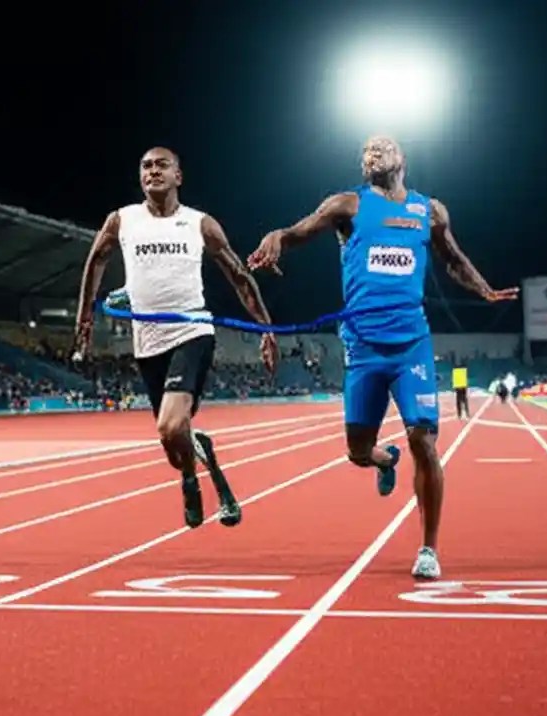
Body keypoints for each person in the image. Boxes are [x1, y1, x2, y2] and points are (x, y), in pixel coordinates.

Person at [246, 135, 518, 579]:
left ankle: (428, 549)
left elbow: (453, 259)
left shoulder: (428, 211)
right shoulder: (347, 206)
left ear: (402, 159)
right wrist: (276, 237)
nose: (372, 154)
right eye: (366, 151)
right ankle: (383, 459)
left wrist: (484, 289)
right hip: (363, 346)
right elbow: (298, 232)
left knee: (424, 440)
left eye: (381, 148)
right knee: (356, 451)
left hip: (412, 342)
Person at [73, 147, 278, 529]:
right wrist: (84, 314)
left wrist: (266, 329)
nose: (153, 171)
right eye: (146, 166)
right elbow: (96, 259)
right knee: (171, 443)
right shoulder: (122, 220)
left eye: (161, 165)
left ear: (178, 176)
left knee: (170, 426)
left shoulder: (200, 224)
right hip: (147, 340)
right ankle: (194, 468)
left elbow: (238, 276)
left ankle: (193, 477)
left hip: (192, 331)